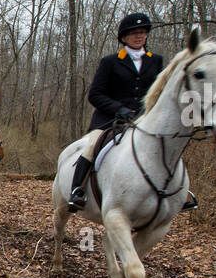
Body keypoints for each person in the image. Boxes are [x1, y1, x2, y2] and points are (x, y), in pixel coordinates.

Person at [68, 13, 197, 211]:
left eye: (143, 32)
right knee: (91, 146)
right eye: (134, 33)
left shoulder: (156, 61)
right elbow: (95, 94)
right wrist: (119, 108)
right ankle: (77, 190)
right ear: (124, 37)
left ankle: (178, 194)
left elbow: (162, 93)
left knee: (169, 147)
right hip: (110, 121)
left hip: (145, 120)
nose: (139, 36)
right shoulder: (110, 62)